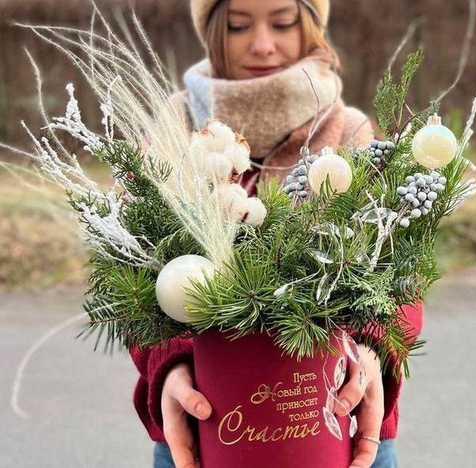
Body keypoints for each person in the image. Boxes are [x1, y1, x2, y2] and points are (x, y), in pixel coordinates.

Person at [130, 1, 424, 467]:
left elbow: (398, 274)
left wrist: (371, 351)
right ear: (211, 30)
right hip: (207, 431)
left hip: (339, 431)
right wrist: (170, 367)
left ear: (310, 26)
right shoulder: (175, 131)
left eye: (283, 22)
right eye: (238, 25)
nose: (263, 44)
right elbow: (137, 277)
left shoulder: (348, 134)